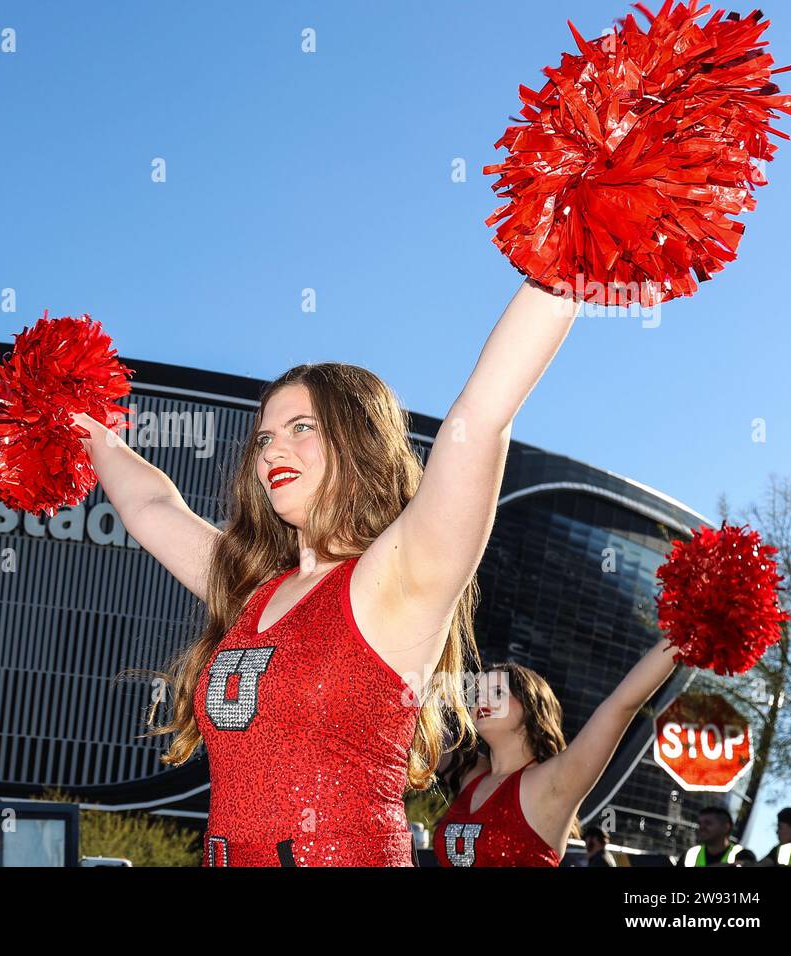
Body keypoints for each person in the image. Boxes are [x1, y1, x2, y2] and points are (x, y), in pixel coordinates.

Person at [74, 279, 580, 866]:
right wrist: (73, 416)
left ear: (357, 442)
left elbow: (483, 414)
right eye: (264, 436)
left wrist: (568, 250)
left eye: (301, 428)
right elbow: (152, 507)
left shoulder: (395, 580)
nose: (269, 451)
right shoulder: (251, 593)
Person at [433, 639, 681, 867]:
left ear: (531, 707)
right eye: (477, 694)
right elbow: (419, 718)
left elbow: (621, 705)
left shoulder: (554, 782)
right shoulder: (470, 774)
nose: (481, 700)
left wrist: (684, 633)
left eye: (498, 692)